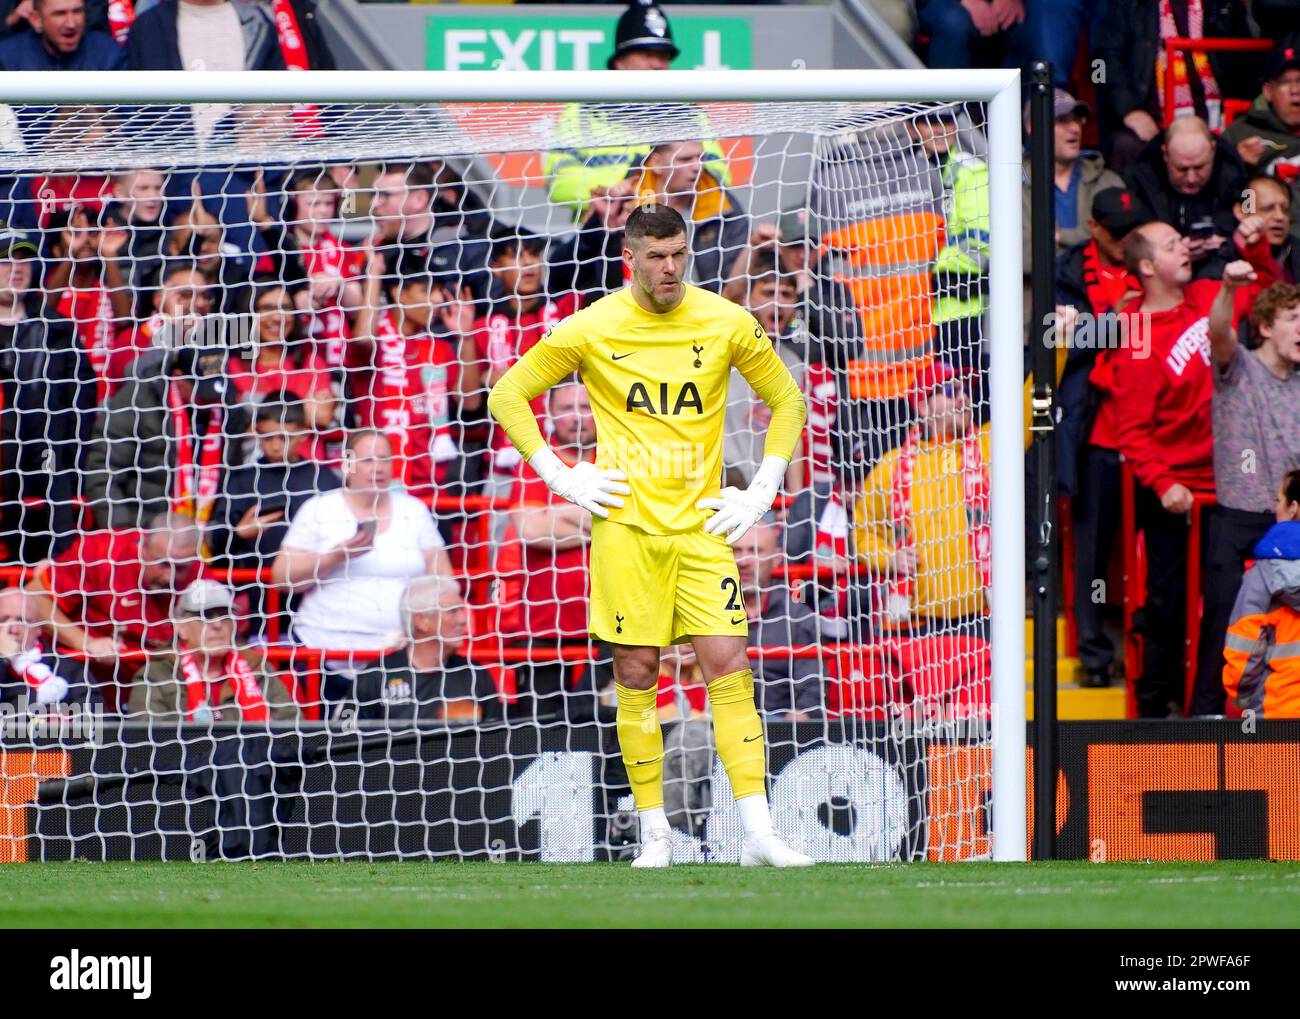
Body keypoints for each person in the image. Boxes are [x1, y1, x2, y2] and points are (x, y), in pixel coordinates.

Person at [487, 203, 812, 868]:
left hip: (700, 528)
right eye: (656, 257)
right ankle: (655, 833)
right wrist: (562, 475)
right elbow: (507, 394)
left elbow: (788, 400)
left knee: (729, 663)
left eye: (678, 255)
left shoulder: (725, 319)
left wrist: (761, 489)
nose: (670, 268)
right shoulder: (593, 325)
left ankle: (759, 834)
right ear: (629, 259)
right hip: (627, 531)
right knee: (636, 673)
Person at [1112, 217, 1278, 717]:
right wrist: (1165, 484)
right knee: (1169, 601)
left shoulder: (1211, 295)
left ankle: (1225, 703)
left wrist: (1258, 247)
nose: (1183, 248)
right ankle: (1156, 708)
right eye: (1169, 245)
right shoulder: (1138, 337)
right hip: (1178, 490)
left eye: (1181, 241)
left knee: (1232, 597)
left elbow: (1271, 301)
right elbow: (1133, 432)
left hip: (1235, 484)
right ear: (1146, 266)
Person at [272, 430, 456, 708]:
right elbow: (281, 577)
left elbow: (444, 581)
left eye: (384, 459)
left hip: (400, 655)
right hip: (324, 654)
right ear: (348, 464)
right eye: (368, 460)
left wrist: (419, 628)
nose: (378, 468)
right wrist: (336, 556)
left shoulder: (414, 510)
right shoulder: (319, 508)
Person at [1193, 278, 1300, 715]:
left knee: (1283, 634)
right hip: (1240, 520)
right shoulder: (1238, 367)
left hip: (1289, 524)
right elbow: (1218, 331)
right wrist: (1229, 288)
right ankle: (1204, 723)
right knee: (1225, 624)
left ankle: (1273, 724)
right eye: (1294, 319)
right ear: (1266, 325)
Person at [1054, 188, 1146, 687]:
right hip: (1095, 432)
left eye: (1133, 228)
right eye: (1118, 231)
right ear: (1095, 229)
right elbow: (1051, 335)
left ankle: (1149, 658)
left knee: (1147, 555)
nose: (1128, 238)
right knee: (1091, 553)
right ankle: (1095, 656)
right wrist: (1119, 321)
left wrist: (1096, 327)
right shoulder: (1066, 269)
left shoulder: (1149, 263)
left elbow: (1152, 332)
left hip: (1148, 430)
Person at [542, 0, 729, 221]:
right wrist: (620, 189)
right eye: (646, 54)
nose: (657, 64)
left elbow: (719, 175)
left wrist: (642, 188)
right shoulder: (583, 111)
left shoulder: (689, 112)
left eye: (663, 56)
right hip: (602, 241)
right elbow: (559, 184)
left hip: (675, 236)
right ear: (620, 61)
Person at [856, 362, 990, 636]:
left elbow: (1027, 409)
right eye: (952, 390)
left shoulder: (989, 447)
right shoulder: (890, 466)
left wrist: (1058, 343)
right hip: (916, 623)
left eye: (966, 390)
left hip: (982, 618)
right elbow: (863, 535)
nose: (963, 397)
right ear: (923, 406)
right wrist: (890, 558)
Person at [23, 510, 202, 710]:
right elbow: (33, 598)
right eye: (163, 564)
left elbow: (224, 637)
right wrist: (84, 641)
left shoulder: (199, 576)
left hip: (159, 691)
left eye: (181, 568)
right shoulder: (101, 551)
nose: (169, 577)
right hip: (85, 685)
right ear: (143, 548)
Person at [0, 225, 96, 565]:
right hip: (4, 468)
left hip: (49, 464)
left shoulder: (57, 329)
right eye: (6, 260)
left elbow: (83, 404)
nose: (17, 268)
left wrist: (74, 467)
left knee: (53, 558)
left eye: (24, 258)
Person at [83, 336, 250, 532]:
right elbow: (103, 473)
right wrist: (124, 533)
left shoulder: (230, 409)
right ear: (178, 378)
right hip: (143, 532)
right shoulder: (138, 401)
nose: (211, 400)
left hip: (205, 537)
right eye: (202, 393)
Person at [1092, 0, 1255, 171]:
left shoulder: (1225, 6)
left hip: (1217, 120)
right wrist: (1130, 111)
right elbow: (1100, 64)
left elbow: (1246, 69)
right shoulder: (1129, 5)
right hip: (1154, 124)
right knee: (1125, 145)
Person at [125, 578, 298, 722]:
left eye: (225, 616)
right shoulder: (154, 676)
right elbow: (149, 746)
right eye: (206, 616)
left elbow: (291, 733)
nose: (217, 625)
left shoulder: (258, 668)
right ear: (181, 627)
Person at [206, 398, 341, 574]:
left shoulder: (324, 480)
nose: (276, 446)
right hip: (255, 584)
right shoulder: (242, 480)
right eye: (268, 437)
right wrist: (239, 534)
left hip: (311, 582)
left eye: (284, 438)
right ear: (257, 433)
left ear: (304, 434)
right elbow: (213, 541)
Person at [350, 574, 498, 724]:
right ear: (421, 621)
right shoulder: (377, 675)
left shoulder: (475, 674)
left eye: (462, 611)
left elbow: (496, 737)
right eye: (452, 612)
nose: (463, 620)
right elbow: (345, 737)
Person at [1123, 117, 1249, 277]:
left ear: (1213, 150)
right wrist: (1175, 252)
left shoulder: (1240, 180)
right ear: (1165, 154)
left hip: (1223, 267)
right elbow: (1134, 243)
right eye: (1181, 169)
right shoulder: (1140, 181)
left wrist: (1226, 243)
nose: (1191, 178)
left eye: (1200, 167)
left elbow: (1251, 211)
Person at [1221, 470, 1300, 719]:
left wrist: (1249, 702)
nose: (1273, 508)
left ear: (1293, 508)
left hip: (1279, 718)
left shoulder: (1263, 574)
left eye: (1278, 501)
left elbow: (1243, 657)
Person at [724, 257, 805, 493]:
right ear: (747, 298)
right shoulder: (726, 346)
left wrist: (796, 498)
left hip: (761, 488)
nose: (778, 303)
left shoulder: (792, 363)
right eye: (769, 293)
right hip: (719, 478)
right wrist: (752, 244)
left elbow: (793, 433)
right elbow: (728, 294)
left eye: (787, 295)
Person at [734, 516, 825, 720]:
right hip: (717, 722)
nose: (744, 561)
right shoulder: (709, 611)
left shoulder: (798, 617)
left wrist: (802, 715)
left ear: (776, 558)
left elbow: (811, 688)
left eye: (755, 551)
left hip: (778, 727)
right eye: (736, 551)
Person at [1021, 89, 1124, 267]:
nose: (1075, 128)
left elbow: (1122, 247)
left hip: (1098, 292)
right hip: (1033, 294)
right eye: (1062, 120)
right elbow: (1019, 256)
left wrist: (1062, 237)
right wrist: (1090, 238)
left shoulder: (1108, 181)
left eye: (1077, 119)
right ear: (1033, 129)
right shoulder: (1010, 185)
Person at [631, 139, 749, 294]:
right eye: (685, 159)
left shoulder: (722, 204)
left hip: (704, 311)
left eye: (701, 159)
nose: (697, 167)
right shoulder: (627, 203)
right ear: (657, 163)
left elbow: (732, 287)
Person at [0, 586, 97, 709]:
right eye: (3, 620)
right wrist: (3, 660)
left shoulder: (66, 669)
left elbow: (100, 722)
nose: (13, 630)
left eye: (22, 620)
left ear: (39, 629)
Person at [1224, 34, 1300, 175]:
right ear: (1268, 91)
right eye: (1285, 82)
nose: (1295, 90)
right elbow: (1218, 191)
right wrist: (1238, 165)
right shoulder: (1240, 135)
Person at [0, 0, 124, 70]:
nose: (71, 24)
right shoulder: (7, 59)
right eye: (60, 14)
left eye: (77, 11)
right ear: (36, 19)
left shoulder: (110, 55)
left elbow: (129, 112)